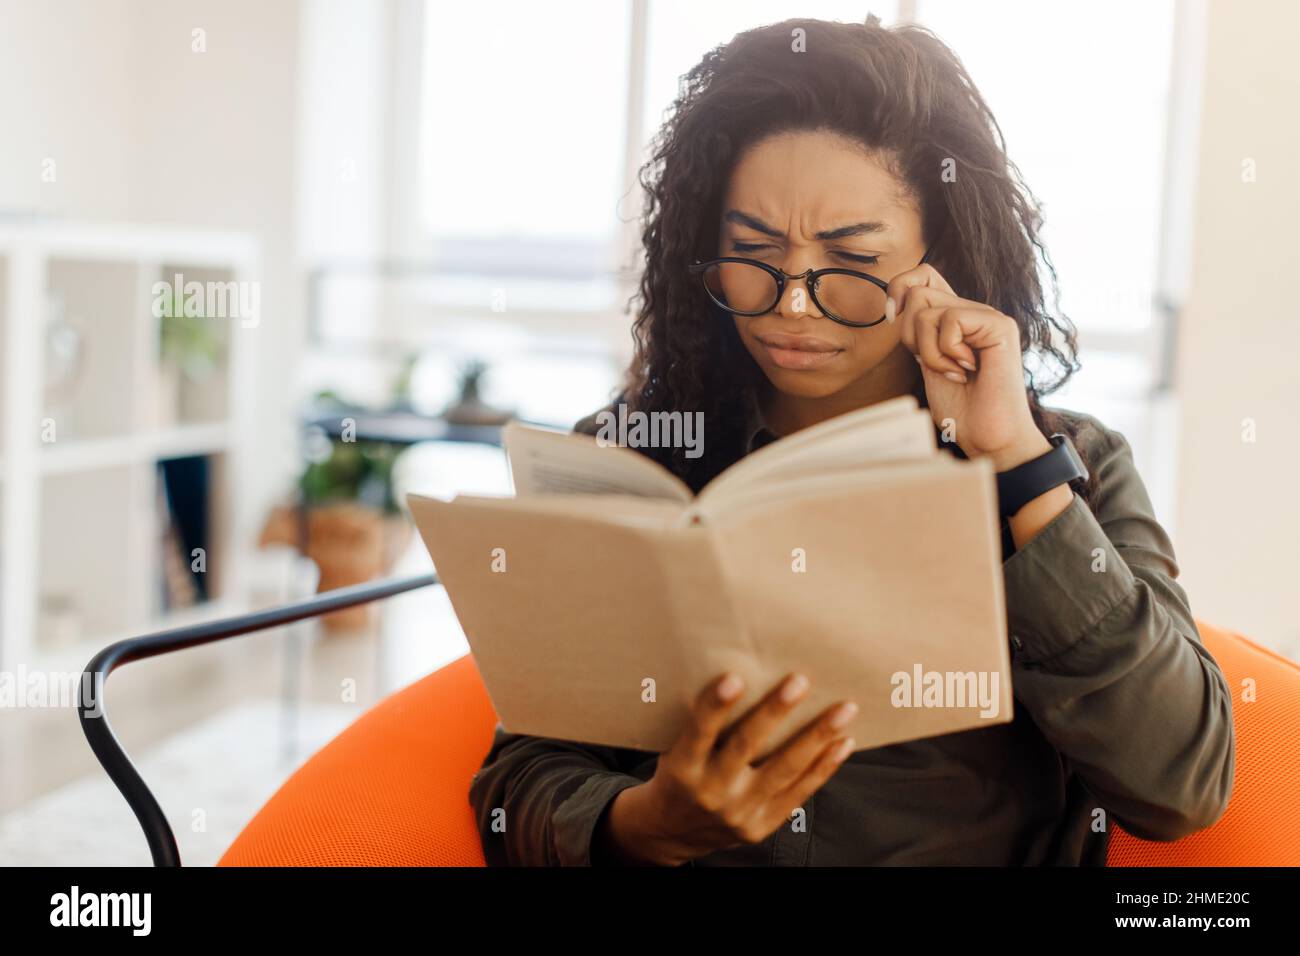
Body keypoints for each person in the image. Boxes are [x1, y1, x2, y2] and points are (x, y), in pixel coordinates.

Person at [468, 15, 1234, 866]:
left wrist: (1014, 466)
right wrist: (647, 823)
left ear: (936, 256)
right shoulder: (630, 455)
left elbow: (1183, 785)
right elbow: (523, 779)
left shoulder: (1068, 463)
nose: (792, 305)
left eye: (851, 258)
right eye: (752, 252)